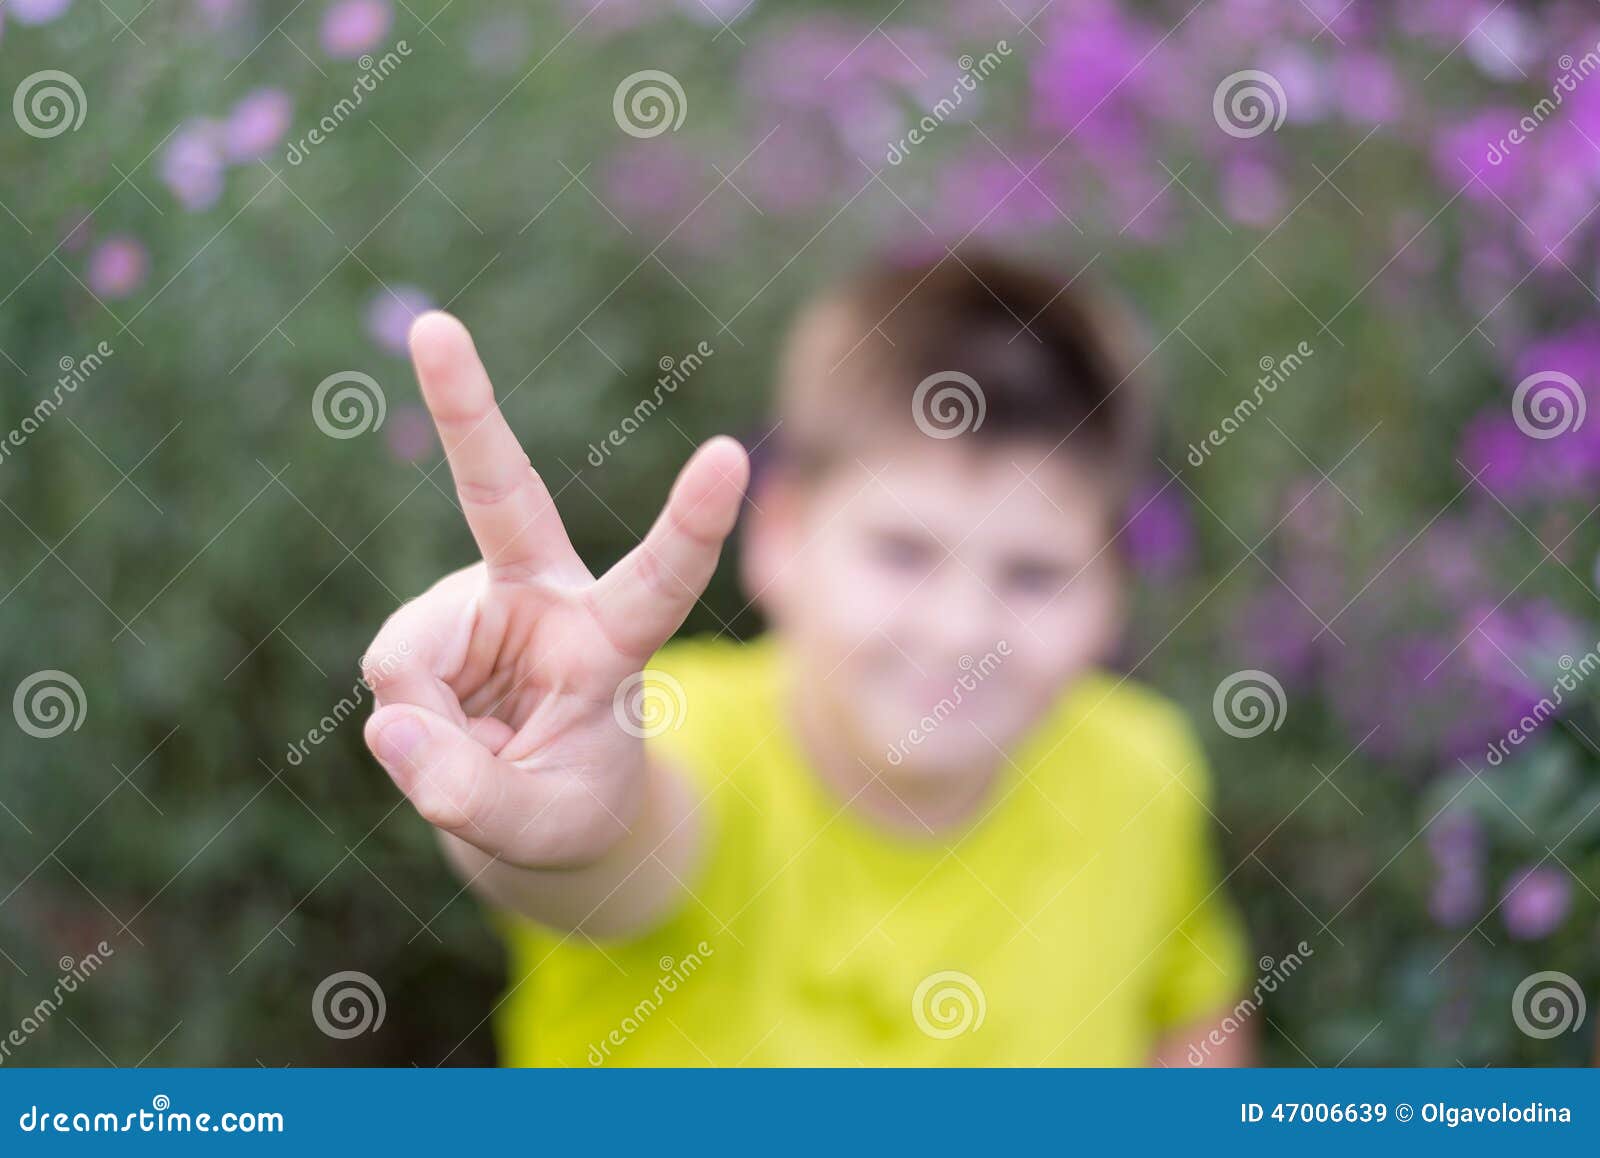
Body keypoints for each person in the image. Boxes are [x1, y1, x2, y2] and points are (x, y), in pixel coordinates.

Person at [360, 252, 1252, 1065]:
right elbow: (606, 842)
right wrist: (550, 811)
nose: (959, 632)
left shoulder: (1142, 768)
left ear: (1116, 591)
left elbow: (1192, 1018)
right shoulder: (683, 729)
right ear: (782, 534)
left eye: (1035, 574)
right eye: (903, 552)